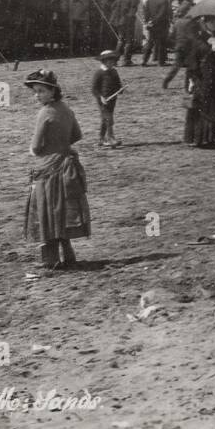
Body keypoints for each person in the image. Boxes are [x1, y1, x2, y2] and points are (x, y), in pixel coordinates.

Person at [22, 70, 91, 270]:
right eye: (35, 92)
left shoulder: (44, 113)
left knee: (46, 212)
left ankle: (49, 260)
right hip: (66, 164)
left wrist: (41, 149)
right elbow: (76, 135)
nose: (37, 95)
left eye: (41, 91)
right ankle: (69, 256)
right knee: (61, 212)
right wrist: (61, 144)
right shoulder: (67, 109)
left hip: (48, 167)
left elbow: (35, 147)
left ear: (53, 91)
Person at [186, 15, 215, 148]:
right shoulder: (199, 39)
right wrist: (191, 79)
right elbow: (193, 60)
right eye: (211, 22)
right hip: (203, 77)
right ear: (205, 24)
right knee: (202, 107)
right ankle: (198, 139)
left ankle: (213, 138)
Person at [91, 50, 123, 147]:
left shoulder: (114, 71)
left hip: (113, 99)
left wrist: (120, 89)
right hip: (103, 100)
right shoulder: (99, 73)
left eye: (113, 61)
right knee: (109, 119)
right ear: (103, 61)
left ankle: (101, 139)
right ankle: (110, 138)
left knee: (105, 119)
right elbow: (94, 89)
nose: (111, 63)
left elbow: (118, 83)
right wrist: (101, 97)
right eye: (109, 61)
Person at [110, 0, 141, 67]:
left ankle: (115, 61)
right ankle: (126, 60)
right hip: (128, 21)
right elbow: (133, 9)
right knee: (128, 41)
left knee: (120, 40)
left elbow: (113, 6)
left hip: (119, 20)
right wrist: (129, 17)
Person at [143, 0, 173, 67]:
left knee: (150, 42)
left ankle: (144, 61)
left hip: (151, 24)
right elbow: (163, 13)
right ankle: (161, 62)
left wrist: (148, 21)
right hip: (161, 24)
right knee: (162, 43)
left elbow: (146, 10)